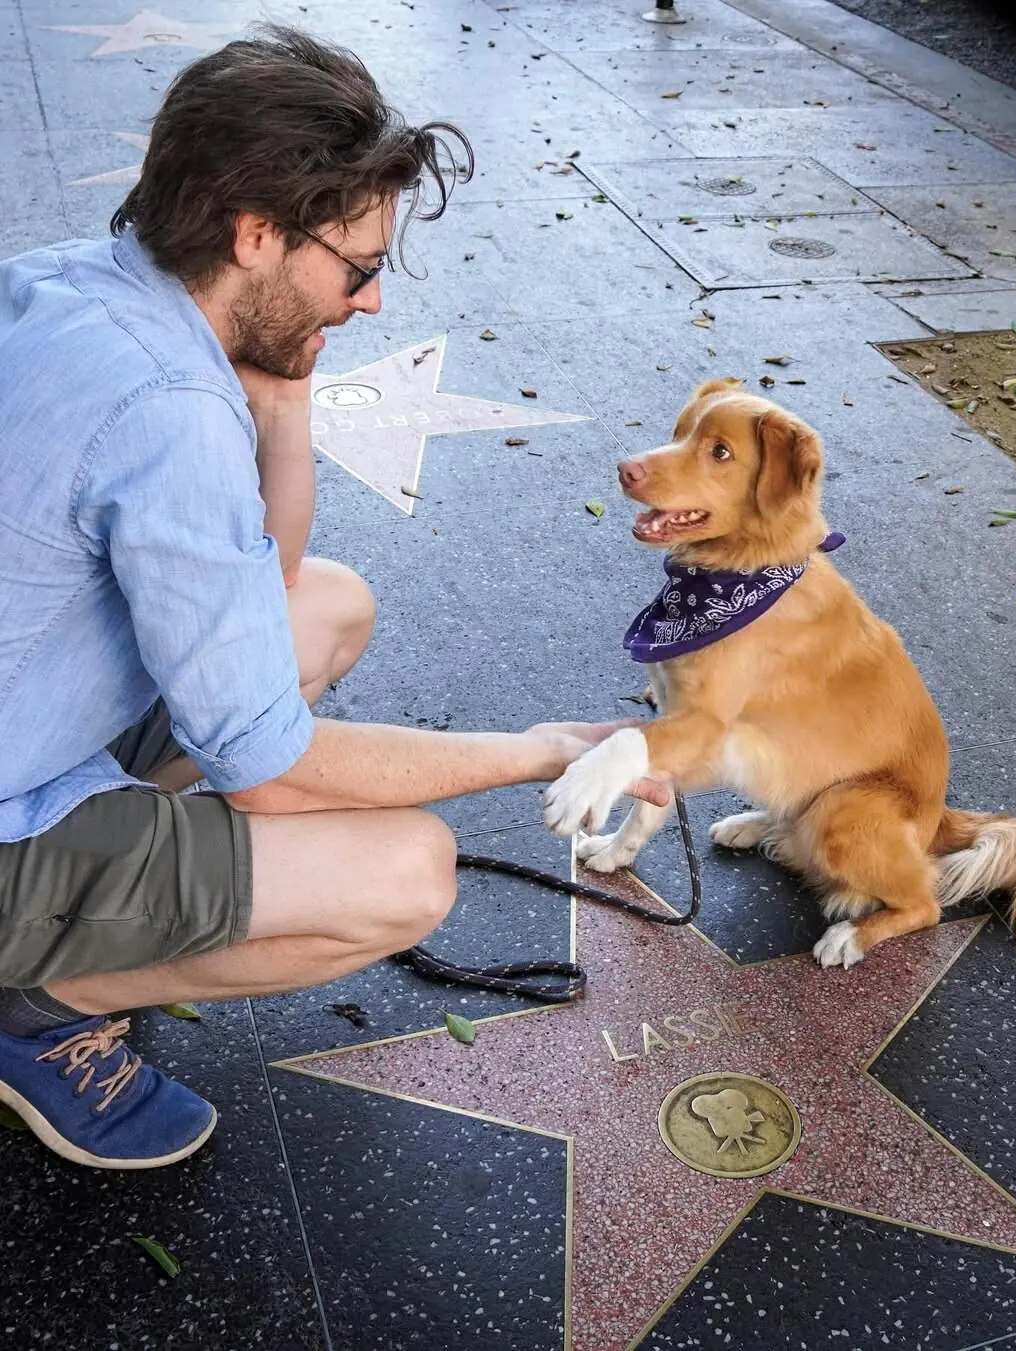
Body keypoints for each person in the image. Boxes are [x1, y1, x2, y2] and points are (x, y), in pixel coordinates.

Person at [0, 26, 665, 1171]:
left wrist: (286, 372)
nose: (366, 302)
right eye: (355, 271)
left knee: (332, 607)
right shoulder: (166, 409)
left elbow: (278, 582)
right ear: (256, 233)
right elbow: (272, 773)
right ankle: (36, 1006)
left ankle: (95, 889)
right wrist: (543, 748)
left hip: (29, 714)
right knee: (406, 873)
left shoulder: (75, 280)